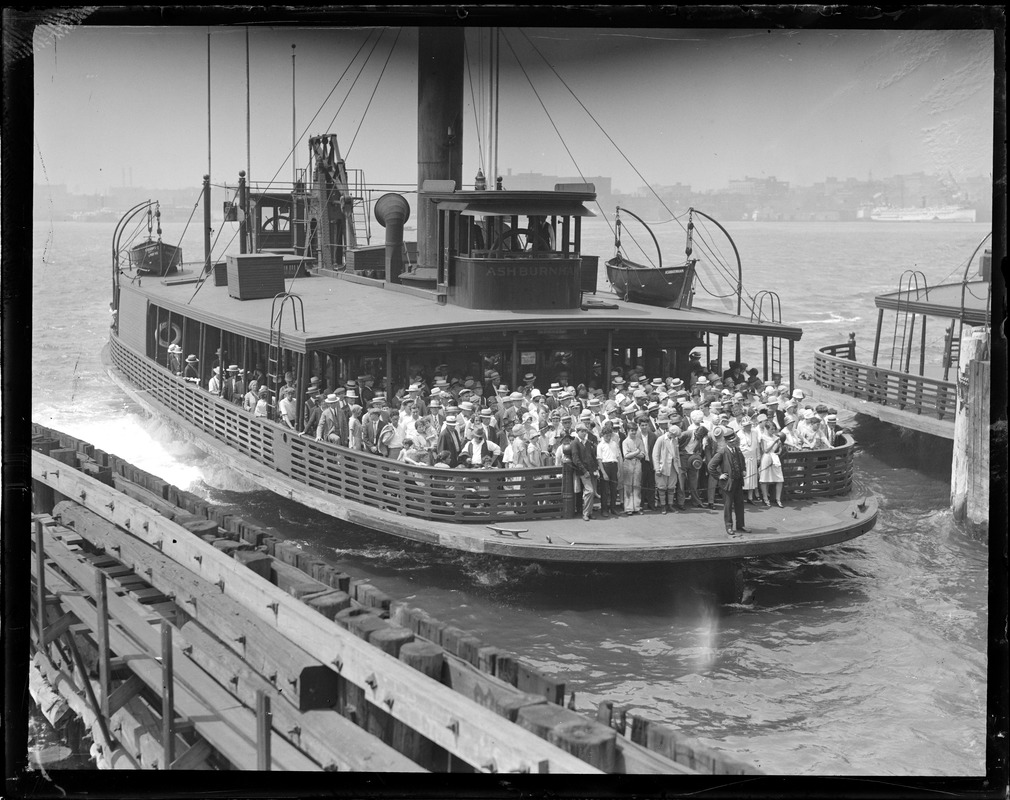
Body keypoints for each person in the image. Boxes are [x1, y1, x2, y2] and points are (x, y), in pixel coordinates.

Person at [708, 427, 749, 536]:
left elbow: (742, 460)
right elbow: (711, 466)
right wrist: (719, 476)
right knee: (728, 505)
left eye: (734, 441)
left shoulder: (737, 449)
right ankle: (729, 527)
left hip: (738, 481)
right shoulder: (722, 452)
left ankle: (741, 525)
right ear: (726, 442)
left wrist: (743, 470)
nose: (733, 443)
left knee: (740, 504)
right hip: (727, 484)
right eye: (731, 442)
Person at [652, 421, 683, 513]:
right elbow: (655, 454)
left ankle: (670, 505)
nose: (673, 437)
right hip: (663, 466)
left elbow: (677, 454)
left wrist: (679, 467)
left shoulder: (675, 440)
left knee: (671, 486)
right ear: (670, 432)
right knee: (661, 487)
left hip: (673, 467)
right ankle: (663, 505)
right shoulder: (661, 439)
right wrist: (657, 468)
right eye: (673, 435)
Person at [570, 423, 599, 521]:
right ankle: (585, 513)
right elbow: (575, 459)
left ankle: (589, 512)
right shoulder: (575, 443)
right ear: (577, 432)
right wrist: (584, 470)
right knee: (589, 491)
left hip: (591, 470)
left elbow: (593, 457)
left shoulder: (587, 442)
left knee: (592, 492)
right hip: (583, 472)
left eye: (585, 431)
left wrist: (596, 469)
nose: (584, 433)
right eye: (582, 431)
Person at [596, 424, 622, 517]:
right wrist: (603, 472)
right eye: (606, 435)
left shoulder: (614, 444)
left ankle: (613, 508)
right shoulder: (600, 445)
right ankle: (604, 509)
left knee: (614, 489)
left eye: (609, 435)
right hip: (605, 466)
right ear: (602, 435)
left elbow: (617, 457)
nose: (608, 437)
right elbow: (599, 460)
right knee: (604, 490)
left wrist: (618, 470)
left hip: (614, 466)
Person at [758, 417, 785, 507]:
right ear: (767, 429)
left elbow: (780, 448)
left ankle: (778, 499)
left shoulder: (776, 437)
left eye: (774, 429)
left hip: (774, 457)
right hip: (766, 457)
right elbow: (765, 450)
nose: (773, 431)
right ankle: (765, 498)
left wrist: (779, 450)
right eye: (771, 429)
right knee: (764, 480)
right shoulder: (763, 437)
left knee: (779, 478)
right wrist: (774, 442)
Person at [620, 421, 646, 514]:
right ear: (627, 431)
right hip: (628, 464)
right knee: (628, 486)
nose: (633, 432)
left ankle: (637, 507)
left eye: (635, 430)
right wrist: (636, 452)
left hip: (638, 464)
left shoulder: (639, 441)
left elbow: (643, 454)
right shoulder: (625, 442)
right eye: (632, 430)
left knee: (637, 485)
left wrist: (635, 454)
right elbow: (626, 455)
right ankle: (628, 508)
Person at [737, 416, 761, 504]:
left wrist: (758, 456)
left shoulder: (754, 432)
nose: (748, 427)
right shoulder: (739, 434)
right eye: (746, 425)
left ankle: (750, 497)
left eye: (749, 425)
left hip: (753, 457)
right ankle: (740, 497)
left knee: (752, 478)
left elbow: (757, 446)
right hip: (743, 458)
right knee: (744, 478)